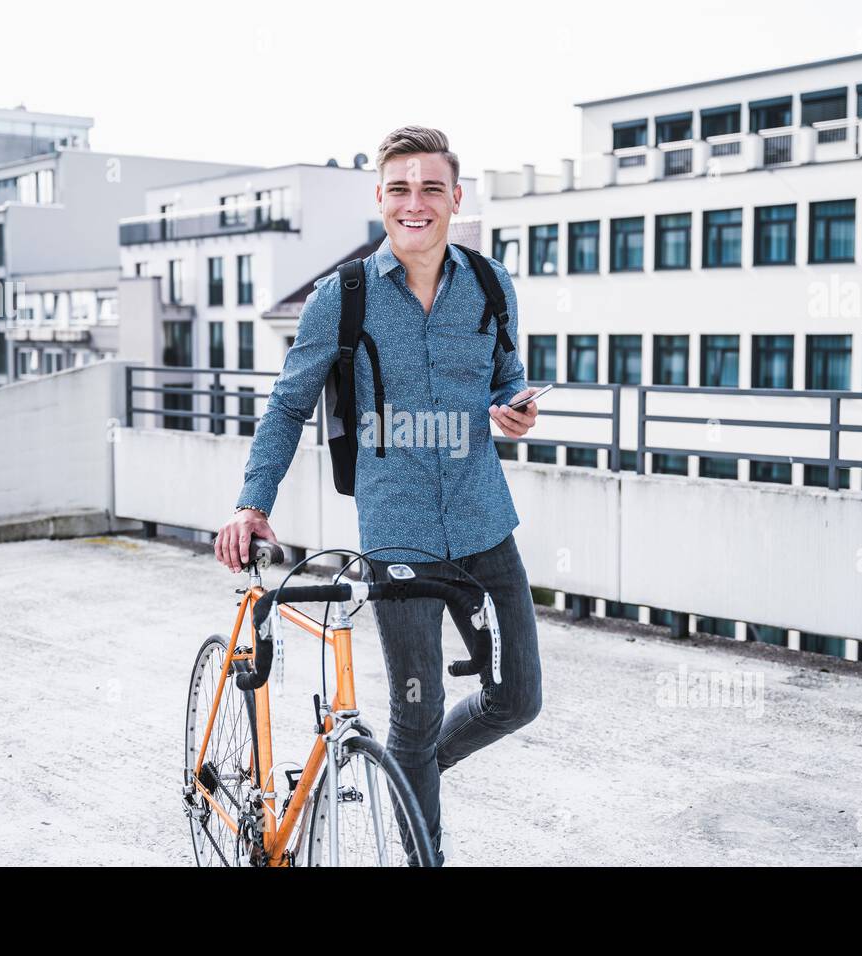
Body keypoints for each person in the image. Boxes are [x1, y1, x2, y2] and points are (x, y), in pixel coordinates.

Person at [215, 125, 544, 866]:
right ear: (382, 199)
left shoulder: (492, 285)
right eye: (400, 188)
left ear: (456, 199)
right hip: (397, 531)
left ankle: (406, 771)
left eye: (432, 188)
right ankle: (420, 835)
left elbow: (505, 378)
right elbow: (288, 404)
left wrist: (515, 409)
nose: (416, 203)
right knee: (416, 711)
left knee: (517, 698)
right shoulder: (345, 297)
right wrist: (251, 500)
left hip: (485, 518)